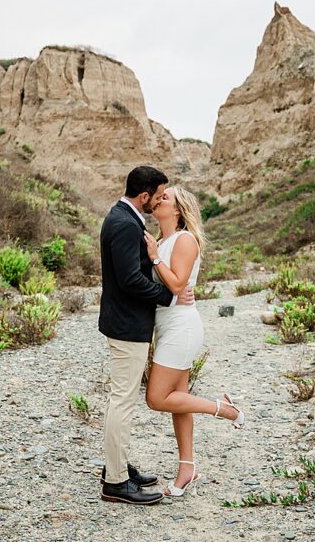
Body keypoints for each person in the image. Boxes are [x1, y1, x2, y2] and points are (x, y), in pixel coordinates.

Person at [98, 166, 196, 505]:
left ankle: (118, 467)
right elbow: (130, 281)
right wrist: (169, 296)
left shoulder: (125, 219)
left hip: (129, 324)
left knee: (122, 398)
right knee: (123, 400)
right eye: (157, 195)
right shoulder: (125, 224)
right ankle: (116, 482)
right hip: (127, 326)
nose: (157, 202)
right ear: (144, 196)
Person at [143, 186, 245, 498]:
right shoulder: (162, 241)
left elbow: (177, 284)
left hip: (181, 326)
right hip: (167, 325)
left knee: (156, 398)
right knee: (178, 398)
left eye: (166, 197)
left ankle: (223, 408)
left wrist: (153, 257)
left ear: (177, 210)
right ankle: (187, 468)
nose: (159, 199)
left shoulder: (184, 240)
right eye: (159, 196)